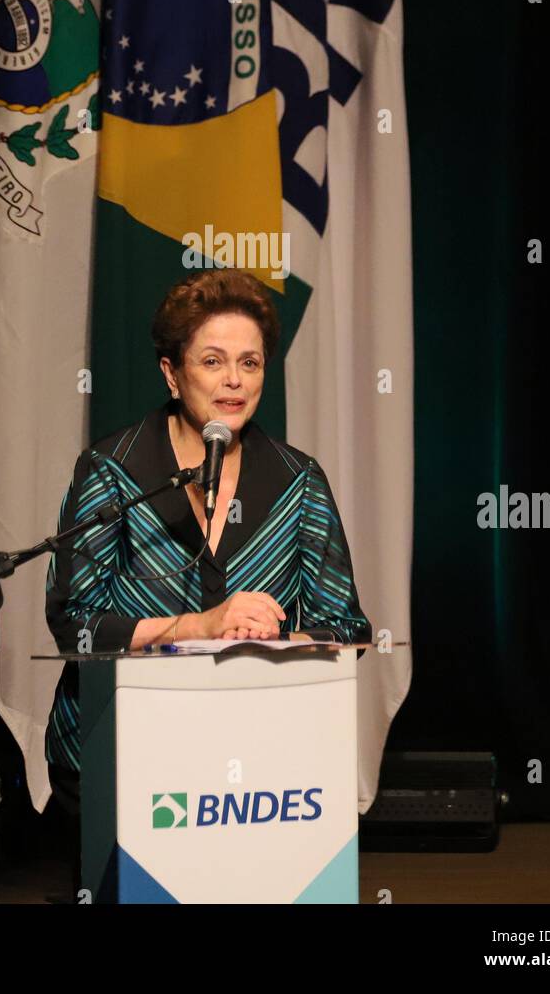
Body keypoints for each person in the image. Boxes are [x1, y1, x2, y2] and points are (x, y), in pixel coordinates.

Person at [44, 269, 373, 887]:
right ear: (172, 373)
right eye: (213, 361)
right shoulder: (114, 470)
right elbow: (73, 624)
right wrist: (199, 626)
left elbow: (347, 626)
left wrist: (272, 643)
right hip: (121, 752)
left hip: (259, 769)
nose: (233, 381)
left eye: (249, 363)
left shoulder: (297, 480)